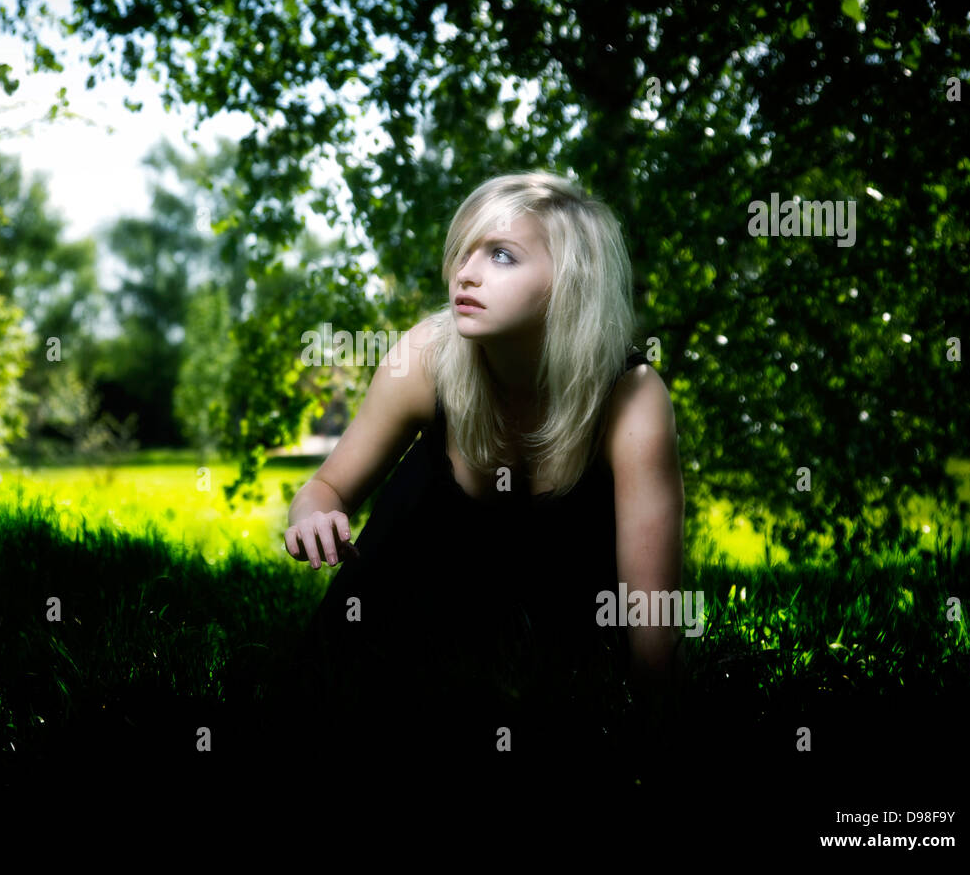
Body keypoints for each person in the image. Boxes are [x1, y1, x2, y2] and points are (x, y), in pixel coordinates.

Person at [277, 172, 686, 767]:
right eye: (463, 252)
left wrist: (661, 740)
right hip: (396, 640)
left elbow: (652, 621)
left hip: (554, 659)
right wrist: (310, 517)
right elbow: (326, 488)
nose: (465, 273)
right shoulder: (425, 357)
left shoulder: (632, 395)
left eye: (501, 255)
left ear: (572, 282)